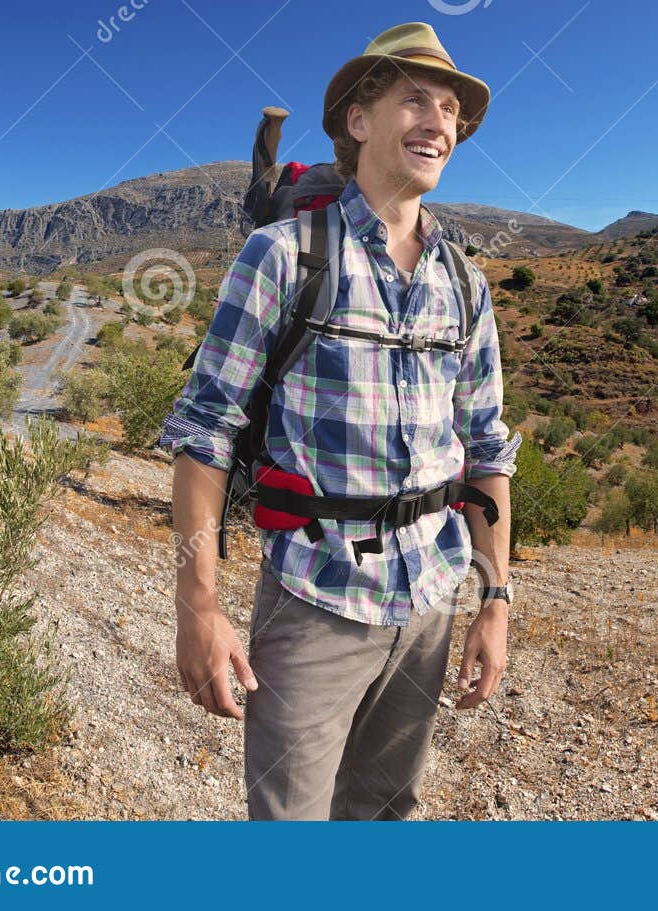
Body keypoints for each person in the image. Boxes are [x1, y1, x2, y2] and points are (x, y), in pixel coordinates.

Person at [158, 21, 519, 820]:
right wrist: (199, 605)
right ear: (358, 122)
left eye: (451, 109)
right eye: (414, 100)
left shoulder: (467, 286)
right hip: (313, 602)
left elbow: (487, 448)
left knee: (385, 819)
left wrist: (494, 599)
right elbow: (205, 431)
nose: (438, 122)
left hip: (429, 602)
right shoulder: (284, 256)